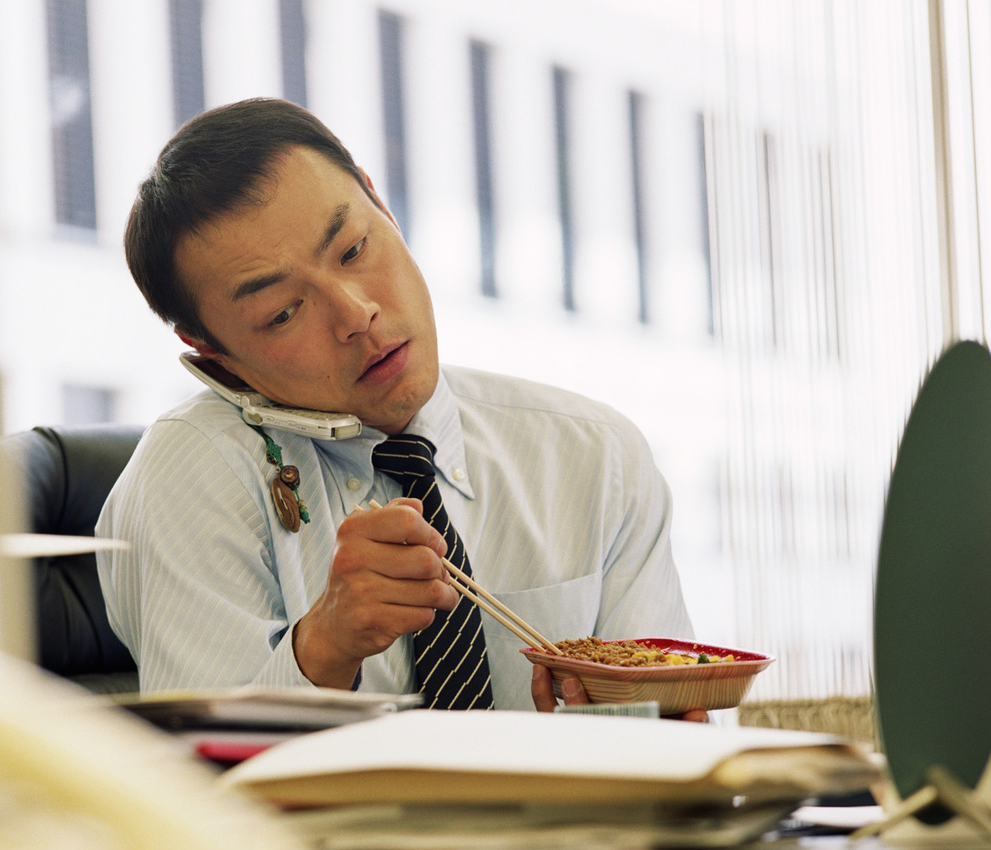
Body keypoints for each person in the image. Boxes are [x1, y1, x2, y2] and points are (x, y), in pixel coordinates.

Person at [97, 97, 698, 715]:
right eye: (282, 312)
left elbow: (670, 730)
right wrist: (325, 646)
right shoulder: (187, 475)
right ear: (213, 353)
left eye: (354, 250)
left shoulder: (598, 457)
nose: (356, 314)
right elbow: (198, 771)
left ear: (382, 205)